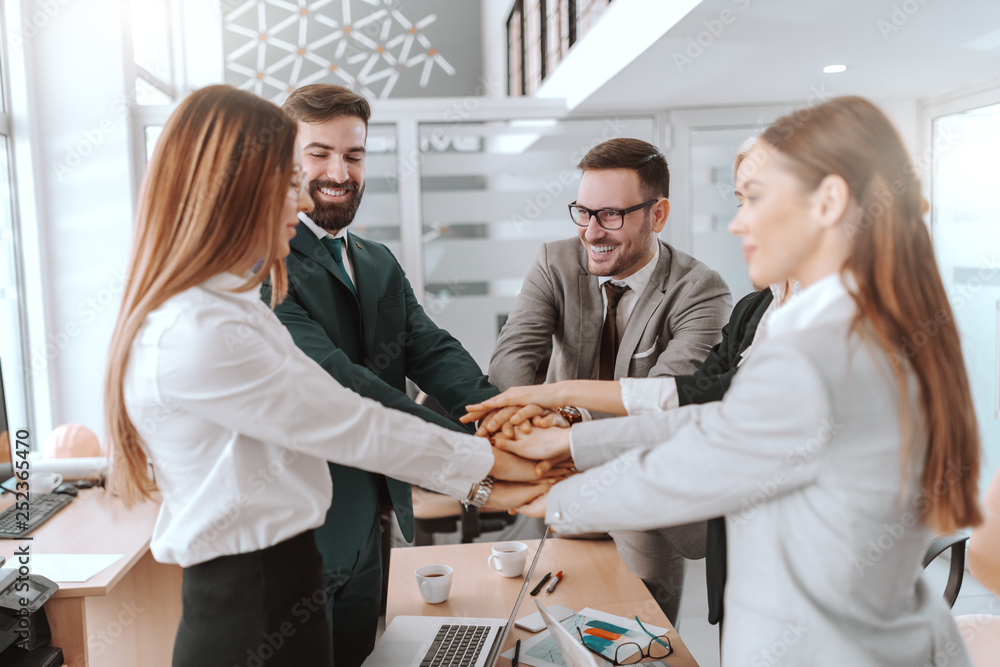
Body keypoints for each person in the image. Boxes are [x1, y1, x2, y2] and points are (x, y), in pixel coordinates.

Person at [495, 96, 983, 665]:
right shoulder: (849, 322)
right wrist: (570, 440)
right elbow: (718, 420)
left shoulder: (823, 350)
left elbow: (697, 461)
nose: (737, 222)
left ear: (827, 202)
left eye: (755, 200)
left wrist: (540, 489)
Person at [103, 85, 545, 667]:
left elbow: (413, 359)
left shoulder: (227, 309)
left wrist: (499, 428)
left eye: (352, 156)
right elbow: (346, 412)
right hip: (253, 603)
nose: (298, 202)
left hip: (287, 576)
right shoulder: (204, 328)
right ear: (236, 189)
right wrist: (499, 468)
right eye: (286, 181)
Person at [467, 140, 793, 627]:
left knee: (643, 640)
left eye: (611, 215)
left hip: (649, 502)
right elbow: (513, 357)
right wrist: (539, 423)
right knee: (531, 628)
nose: (591, 231)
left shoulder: (701, 288)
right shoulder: (555, 262)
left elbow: (676, 401)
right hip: (553, 477)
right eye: (582, 212)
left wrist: (562, 428)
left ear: (657, 215)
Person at [257, 83, 501, 667]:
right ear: (285, 161)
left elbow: (432, 349)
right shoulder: (266, 263)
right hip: (305, 529)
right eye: (319, 153)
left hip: (374, 518)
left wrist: (499, 414)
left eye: (354, 155)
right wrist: (474, 450)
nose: (339, 171)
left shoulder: (376, 260)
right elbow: (341, 381)